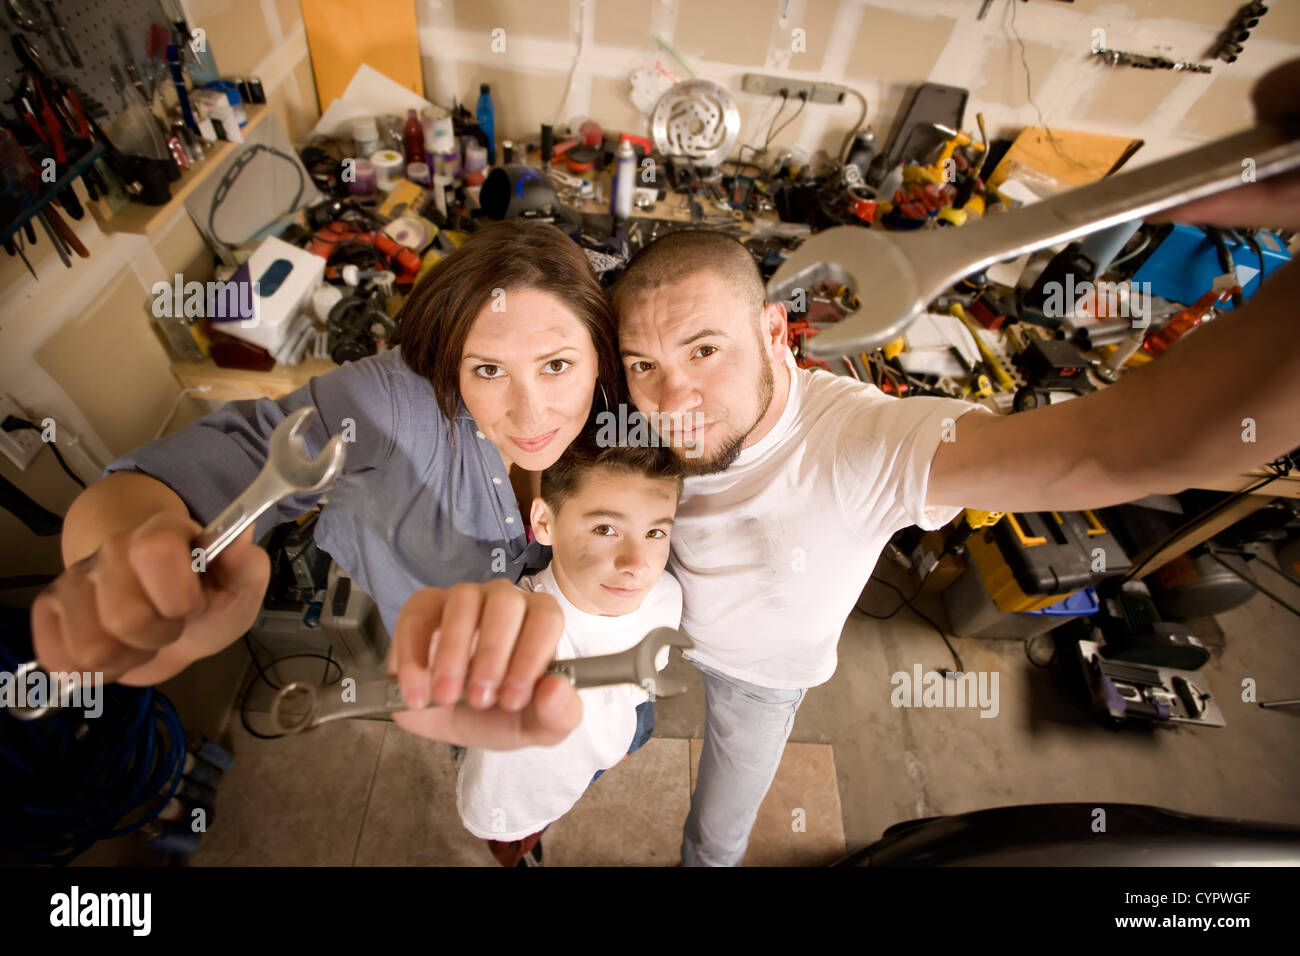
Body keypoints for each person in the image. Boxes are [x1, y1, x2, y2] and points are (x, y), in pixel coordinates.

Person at [609, 57, 1300, 866]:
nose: (669, 397)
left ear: (772, 331)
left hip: (757, 677)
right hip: (652, 618)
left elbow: (1113, 453)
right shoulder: (639, 412)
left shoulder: (863, 446)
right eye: (642, 364)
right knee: (607, 724)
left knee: (716, 838)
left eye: (703, 350)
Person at [30, 221, 622, 749]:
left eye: (557, 365)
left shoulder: (618, 419)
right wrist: (119, 567)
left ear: (599, 353)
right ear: (449, 363)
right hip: (440, 659)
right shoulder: (388, 402)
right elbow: (227, 458)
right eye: (488, 369)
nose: (531, 414)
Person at [456, 435, 683, 865]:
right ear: (545, 523)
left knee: (631, 733)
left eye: (655, 531)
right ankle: (517, 851)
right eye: (605, 529)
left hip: (599, 746)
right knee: (513, 835)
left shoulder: (665, 596)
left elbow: (645, 678)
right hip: (516, 790)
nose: (636, 562)